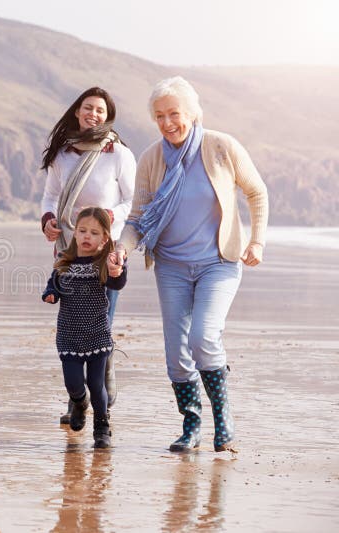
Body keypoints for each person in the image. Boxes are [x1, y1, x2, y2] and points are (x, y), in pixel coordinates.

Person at [116, 76, 268, 453]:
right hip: (171, 266)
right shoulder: (151, 159)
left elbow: (256, 192)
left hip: (219, 262)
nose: (168, 123)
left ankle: (224, 419)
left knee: (203, 336)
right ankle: (191, 425)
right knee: (176, 351)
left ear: (192, 113)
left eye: (174, 114)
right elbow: (137, 219)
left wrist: (257, 241)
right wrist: (121, 248)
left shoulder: (221, 147)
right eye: (159, 116)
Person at [39, 87, 135, 420]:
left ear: (107, 117)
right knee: (74, 320)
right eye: (87, 108)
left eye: (99, 110)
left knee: (101, 321)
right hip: (69, 248)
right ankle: (77, 398)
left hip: (105, 251)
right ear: (77, 112)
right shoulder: (63, 154)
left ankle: (103, 392)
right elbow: (50, 196)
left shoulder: (118, 154)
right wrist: (49, 220)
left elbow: (132, 202)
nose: (93, 114)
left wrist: (108, 217)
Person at [42, 207, 126, 448]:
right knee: (73, 383)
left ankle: (102, 427)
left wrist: (116, 269)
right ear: (75, 234)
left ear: (104, 238)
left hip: (97, 335)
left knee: (96, 384)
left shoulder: (104, 263)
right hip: (69, 335)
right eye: (82, 231)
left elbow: (117, 282)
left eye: (94, 233)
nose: (87, 236)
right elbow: (53, 285)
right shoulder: (64, 262)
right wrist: (50, 294)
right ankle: (79, 403)